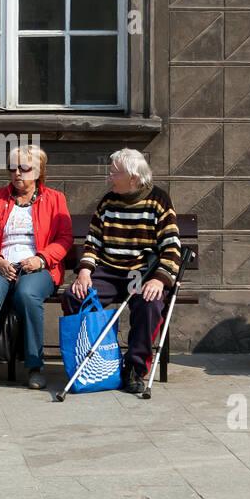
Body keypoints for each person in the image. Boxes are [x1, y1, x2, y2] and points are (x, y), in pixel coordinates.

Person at [63, 148, 181, 394]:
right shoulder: (108, 201)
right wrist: (84, 272)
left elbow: (171, 247)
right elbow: (93, 242)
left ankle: (134, 367)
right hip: (107, 270)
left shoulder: (158, 200)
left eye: (114, 173)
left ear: (133, 178)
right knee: (74, 296)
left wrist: (159, 280)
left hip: (139, 273)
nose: (109, 178)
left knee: (150, 304)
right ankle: (95, 358)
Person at [0, 145, 72, 389]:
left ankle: (35, 366)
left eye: (24, 168)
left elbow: (65, 238)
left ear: (39, 172)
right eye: (12, 167)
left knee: (27, 295)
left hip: (39, 267)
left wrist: (43, 258)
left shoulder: (55, 199)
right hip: (1, 265)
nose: (16, 173)